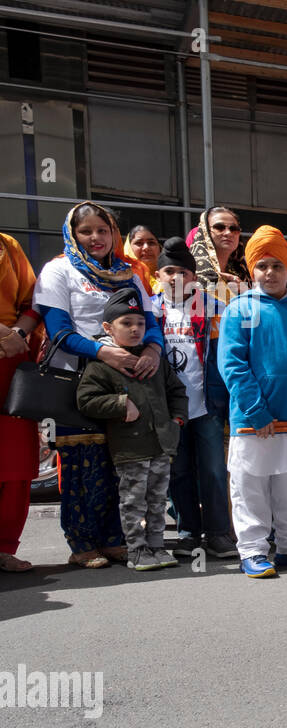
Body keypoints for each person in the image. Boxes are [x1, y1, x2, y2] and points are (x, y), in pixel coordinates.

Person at [35, 201, 165, 568]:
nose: (95, 238)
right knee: (81, 465)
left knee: (119, 461)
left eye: (102, 230)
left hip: (128, 379)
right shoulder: (58, 271)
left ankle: (114, 537)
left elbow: (150, 321)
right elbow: (59, 331)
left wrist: (153, 350)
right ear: (73, 235)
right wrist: (104, 352)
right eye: (86, 231)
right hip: (77, 381)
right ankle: (82, 543)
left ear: (113, 234)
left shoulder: (129, 274)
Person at [218, 226, 287, 578]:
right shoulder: (240, 309)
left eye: (278, 266)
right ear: (252, 270)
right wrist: (256, 410)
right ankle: (253, 550)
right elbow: (232, 365)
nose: (270, 273)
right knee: (250, 486)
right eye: (263, 266)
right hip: (254, 421)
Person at [76, 288, 188, 571]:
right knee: (133, 502)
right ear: (107, 328)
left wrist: (176, 422)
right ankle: (137, 550)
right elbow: (86, 399)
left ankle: (157, 547)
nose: (135, 329)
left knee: (157, 500)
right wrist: (121, 404)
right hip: (130, 449)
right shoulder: (102, 365)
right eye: (126, 323)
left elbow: (177, 392)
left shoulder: (155, 361)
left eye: (140, 323)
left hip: (162, 444)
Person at [153, 236, 237, 558]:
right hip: (168, 408)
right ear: (159, 275)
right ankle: (188, 533)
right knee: (179, 472)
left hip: (207, 406)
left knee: (214, 471)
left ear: (194, 277)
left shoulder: (216, 308)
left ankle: (217, 534)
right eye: (169, 271)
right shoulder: (149, 309)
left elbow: (228, 357)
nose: (176, 278)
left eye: (184, 272)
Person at [0, 232, 41, 572]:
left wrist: (18, 335)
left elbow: (32, 303)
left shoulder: (7, 246)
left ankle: (5, 546)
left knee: (16, 460)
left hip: (10, 356)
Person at [189, 206, 249, 304]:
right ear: (205, 231)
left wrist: (246, 292)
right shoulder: (190, 273)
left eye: (234, 229)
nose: (228, 233)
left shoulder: (244, 274)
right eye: (219, 227)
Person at [125, 225, 161, 292]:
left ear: (160, 248)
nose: (146, 247)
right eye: (139, 243)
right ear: (129, 248)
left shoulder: (173, 276)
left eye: (151, 243)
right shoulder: (120, 279)